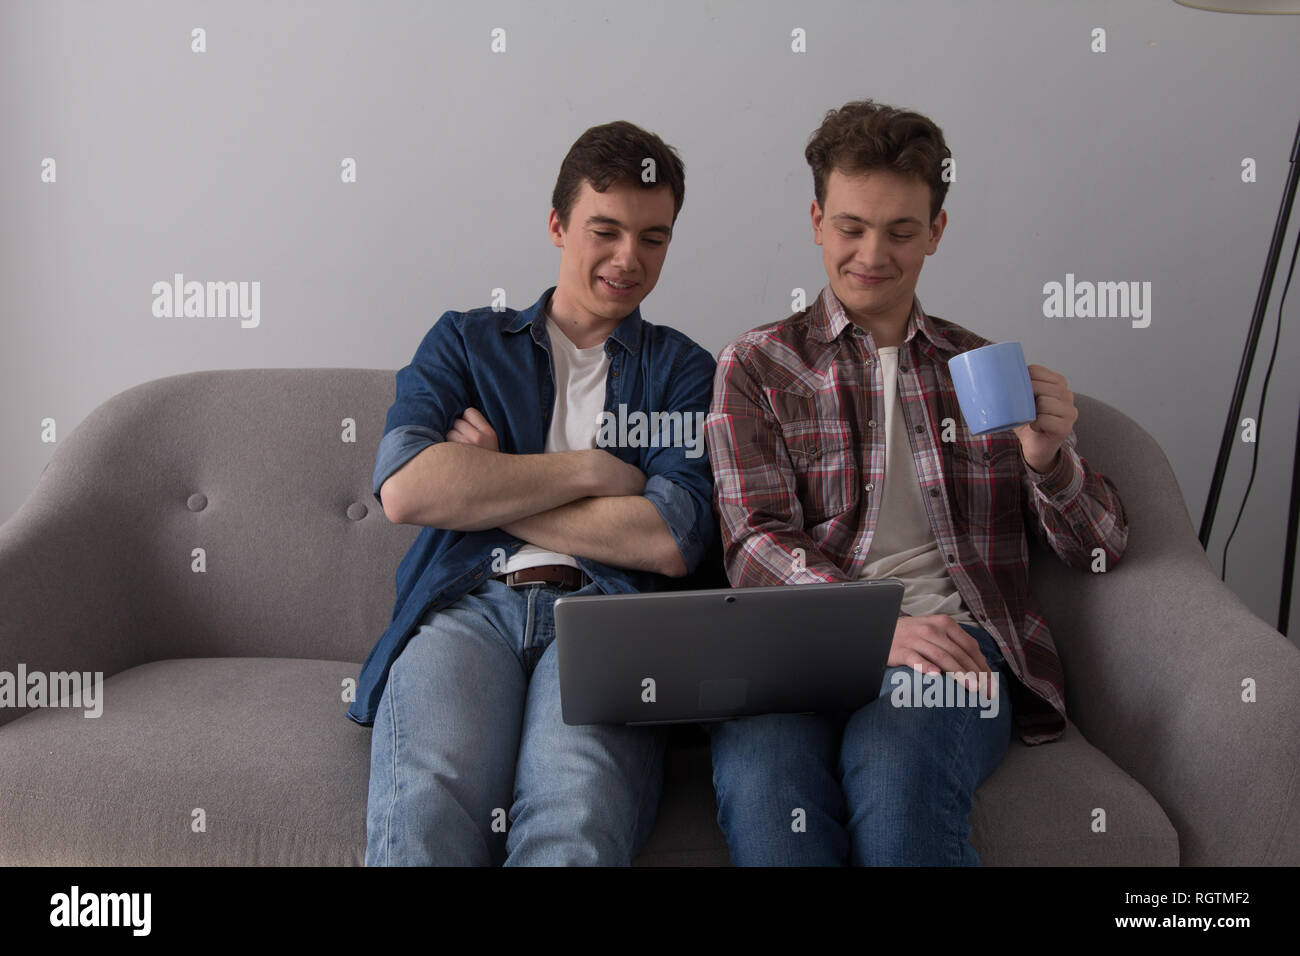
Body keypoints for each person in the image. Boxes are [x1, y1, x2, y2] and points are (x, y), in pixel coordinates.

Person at [703, 99, 1129, 866]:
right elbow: (753, 541)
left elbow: (1103, 547)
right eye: (851, 227)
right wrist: (871, 629)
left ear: (936, 231)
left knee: (896, 774)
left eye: (901, 231)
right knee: (767, 792)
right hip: (797, 649)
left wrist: (1048, 459)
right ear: (815, 221)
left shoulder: (982, 369)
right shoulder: (757, 366)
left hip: (952, 645)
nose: (873, 253)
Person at [349, 120, 716, 866]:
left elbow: (670, 539)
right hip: (468, 602)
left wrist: (494, 480)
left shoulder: (684, 370)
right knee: (425, 809)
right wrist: (592, 470)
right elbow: (409, 489)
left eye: (653, 237)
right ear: (557, 224)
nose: (627, 259)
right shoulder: (464, 341)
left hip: (608, 613)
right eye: (604, 230)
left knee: (573, 817)